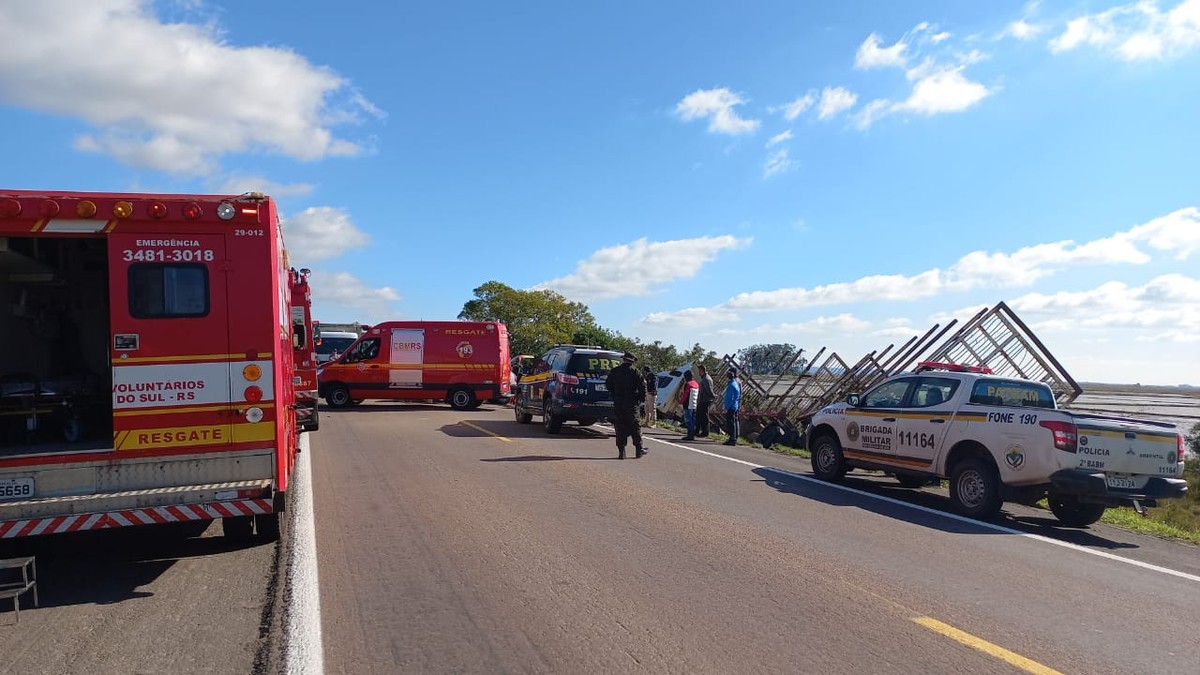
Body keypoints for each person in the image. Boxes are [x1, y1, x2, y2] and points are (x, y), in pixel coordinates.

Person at [605, 352, 647, 459]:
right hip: (632, 404)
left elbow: (608, 384)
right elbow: (643, 389)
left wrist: (615, 394)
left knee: (620, 427)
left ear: (624, 360)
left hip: (619, 403)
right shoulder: (636, 372)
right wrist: (639, 399)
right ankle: (638, 449)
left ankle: (621, 452)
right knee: (635, 426)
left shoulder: (615, 371)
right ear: (632, 361)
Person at [678, 370, 700, 441]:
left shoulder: (688, 384)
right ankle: (692, 434)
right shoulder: (696, 384)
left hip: (688, 405)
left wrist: (681, 402)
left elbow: (685, 395)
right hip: (694, 405)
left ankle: (690, 435)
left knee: (688, 420)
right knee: (693, 420)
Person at [722, 368, 741, 446]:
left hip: (731, 406)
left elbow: (730, 397)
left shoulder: (731, 385)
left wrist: (727, 407)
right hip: (735, 405)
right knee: (734, 421)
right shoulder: (735, 383)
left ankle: (732, 438)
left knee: (731, 423)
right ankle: (734, 437)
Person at [696, 364, 715, 438]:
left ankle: (705, 432)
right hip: (703, 400)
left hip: (705, 400)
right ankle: (701, 431)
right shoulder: (704, 378)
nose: (698, 372)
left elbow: (709, 390)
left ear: (702, 371)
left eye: (699, 371)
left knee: (704, 417)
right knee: (700, 416)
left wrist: (713, 396)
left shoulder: (707, 379)